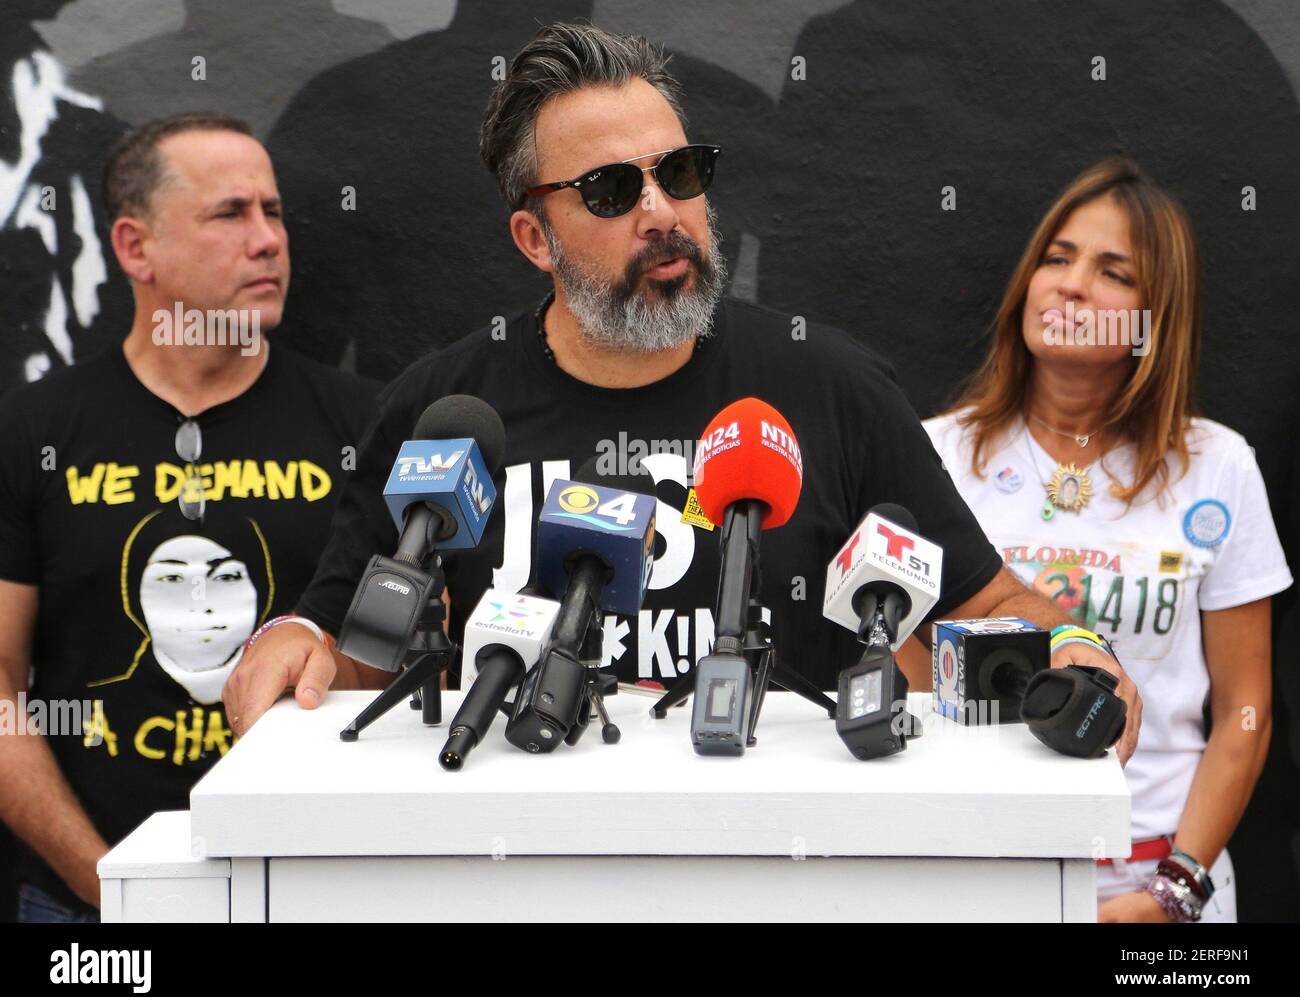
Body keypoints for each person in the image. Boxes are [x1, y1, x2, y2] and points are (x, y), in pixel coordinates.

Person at [224, 24, 1141, 770]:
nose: (662, 211)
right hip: (508, 863)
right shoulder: (445, 410)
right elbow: (347, 650)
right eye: (614, 189)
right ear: (535, 238)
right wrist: (294, 642)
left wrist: (1078, 649)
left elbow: (986, 605)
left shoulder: (830, 385)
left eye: (682, 173)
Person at [0, 112, 380, 921]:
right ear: (135, 248)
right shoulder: (34, 432)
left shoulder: (362, 426)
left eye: (273, 212)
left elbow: (418, 651)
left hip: (313, 890)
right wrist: (111, 884)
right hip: (82, 899)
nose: (269, 238)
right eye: (230, 213)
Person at [913, 158, 1292, 922]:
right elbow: (914, 683)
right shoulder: (935, 455)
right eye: (1056, 258)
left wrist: (1172, 891)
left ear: (1154, 317)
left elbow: (1246, 709)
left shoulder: (1218, 467)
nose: (1071, 284)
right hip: (986, 873)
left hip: (1158, 879)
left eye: (1112, 271)